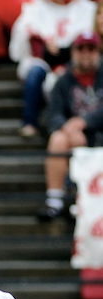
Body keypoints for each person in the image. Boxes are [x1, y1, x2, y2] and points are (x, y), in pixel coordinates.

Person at [39, 32, 103, 222]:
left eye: (91, 49)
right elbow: (52, 115)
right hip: (74, 139)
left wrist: (85, 122)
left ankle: (83, 200)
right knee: (58, 139)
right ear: (73, 52)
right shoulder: (62, 81)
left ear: (98, 52)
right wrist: (69, 128)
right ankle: (55, 202)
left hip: (98, 135)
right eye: (80, 48)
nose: (85, 54)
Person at [9, 0, 96, 138]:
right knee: (35, 73)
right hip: (43, 61)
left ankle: (71, 125)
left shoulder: (86, 8)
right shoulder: (35, 7)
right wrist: (44, 45)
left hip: (75, 64)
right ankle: (30, 122)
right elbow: (20, 42)